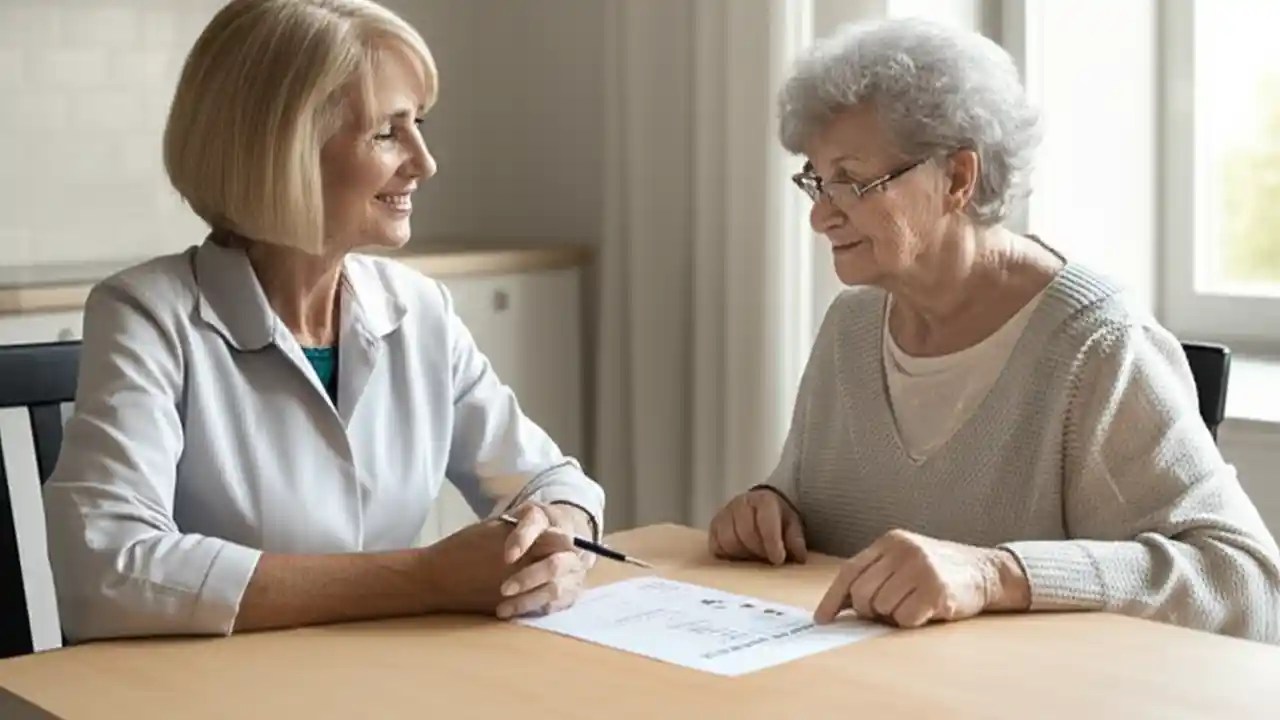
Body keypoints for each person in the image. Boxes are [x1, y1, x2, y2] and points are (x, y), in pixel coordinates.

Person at [42, 0, 603, 642]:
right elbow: (107, 567)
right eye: (388, 133)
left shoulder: (418, 309)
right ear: (284, 148)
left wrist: (559, 535)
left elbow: (551, 480)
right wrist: (425, 579)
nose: (424, 162)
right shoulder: (147, 314)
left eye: (418, 123)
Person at [708, 17, 1280, 642]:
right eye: (817, 180)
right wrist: (770, 510)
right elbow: (820, 512)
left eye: (851, 181)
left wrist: (995, 574)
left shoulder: (1096, 345)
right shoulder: (851, 325)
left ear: (957, 178)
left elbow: (1245, 583)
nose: (821, 216)